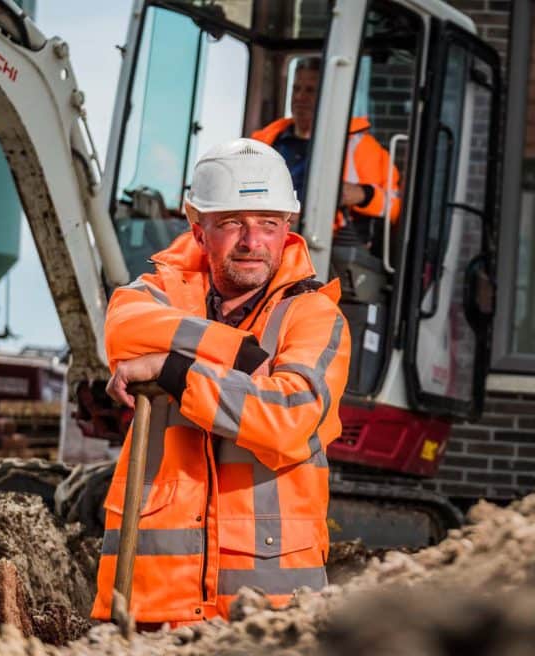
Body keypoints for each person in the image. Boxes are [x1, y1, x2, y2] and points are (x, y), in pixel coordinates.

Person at [90, 138, 351, 625]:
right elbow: (123, 329)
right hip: (150, 603)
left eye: (268, 225)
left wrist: (172, 369)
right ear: (199, 229)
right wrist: (234, 352)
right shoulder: (156, 293)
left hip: (269, 609)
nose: (252, 242)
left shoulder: (313, 315)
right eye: (232, 223)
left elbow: (289, 418)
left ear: (287, 229)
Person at [251, 57, 401, 233]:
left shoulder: (361, 146)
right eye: (296, 89)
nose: (300, 97)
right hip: (266, 238)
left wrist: (364, 194)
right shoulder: (264, 142)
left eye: (310, 91)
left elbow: (395, 206)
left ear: (329, 96)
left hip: (327, 245)